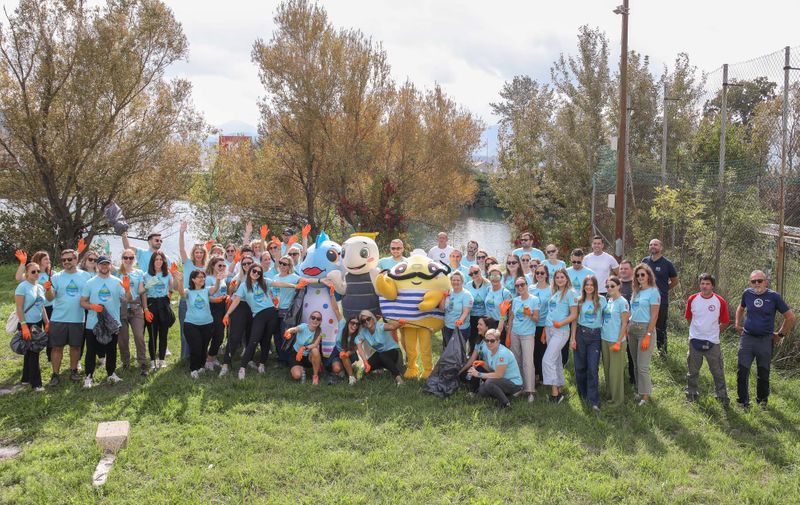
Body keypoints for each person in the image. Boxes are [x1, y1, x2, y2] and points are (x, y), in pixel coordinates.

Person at [223, 263, 300, 380]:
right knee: (253, 341)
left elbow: (279, 283)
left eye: (259, 272)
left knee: (267, 339)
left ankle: (262, 364)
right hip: (259, 315)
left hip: (272, 313)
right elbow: (236, 301)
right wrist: (227, 314)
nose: (256, 274)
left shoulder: (264, 282)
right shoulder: (244, 286)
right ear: (250, 271)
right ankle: (242, 368)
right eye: (254, 271)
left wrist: (294, 286)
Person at [734, 270, 795, 409]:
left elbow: (790, 317)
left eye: (759, 281)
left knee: (763, 373)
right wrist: (737, 324)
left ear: (766, 282)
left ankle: (762, 402)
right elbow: (740, 308)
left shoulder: (774, 297)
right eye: (753, 281)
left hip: (765, 340)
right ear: (750, 282)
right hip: (747, 339)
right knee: (742, 371)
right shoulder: (747, 293)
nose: (756, 284)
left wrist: (780, 335)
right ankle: (742, 402)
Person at [79, 256, 133, 388]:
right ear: (97, 266)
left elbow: (128, 299)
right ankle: (89, 376)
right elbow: (82, 302)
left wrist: (127, 289)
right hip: (93, 323)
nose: (104, 266)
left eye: (107, 264)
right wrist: (92, 307)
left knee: (111, 350)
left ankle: (111, 374)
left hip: (112, 323)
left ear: (110, 266)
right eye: (101, 264)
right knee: (91, 350)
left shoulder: (117, 281)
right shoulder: (90, 283)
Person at [43, 249, 92, 385]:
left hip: (78, 318)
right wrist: (48, 289)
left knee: (75, 347)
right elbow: (50, 297)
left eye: (69, 259)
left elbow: (91, 294)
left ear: (76, 260)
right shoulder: (56, 277)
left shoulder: (86, 276)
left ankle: (73, 371)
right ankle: (55, 374)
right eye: (63, 260)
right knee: (56, 347)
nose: (66, 262)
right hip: (58, 318)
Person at [685, 273, 730, 405]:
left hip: (713, 342)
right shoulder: (692, 299)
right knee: (692, 371)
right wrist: (696, 331)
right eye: (702, 284)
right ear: (699, 285)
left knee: (717, 371)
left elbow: (725, 321)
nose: (704, 286)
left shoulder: (720, 301)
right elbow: (688, 318)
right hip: (695, 341)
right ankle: (691, 392)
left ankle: (722, 395)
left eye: (708, 284)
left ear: (713, 286)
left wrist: (714, 332)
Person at [173, 268, 223, 378]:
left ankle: (201, 367)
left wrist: (218, 280)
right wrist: (180, 281)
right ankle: (194, 369)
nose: (202, 279)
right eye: (199, 277)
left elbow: (215, 289)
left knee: (203, 347)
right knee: (196, 347)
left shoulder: (206, 290)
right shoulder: (188, 291)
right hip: (191, 324)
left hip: (207, 324)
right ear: (193, 279)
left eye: (203, 277)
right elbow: (181, 293)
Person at [570, 276, 606, 410]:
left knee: (592, 368)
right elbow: (574, 320)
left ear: (595, 286)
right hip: (580, 334)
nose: (589, 287)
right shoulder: (579, 301)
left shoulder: (602, 300)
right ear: (583, 286)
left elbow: (607, 317)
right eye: (587, 284)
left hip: (595, 336)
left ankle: (594, 400)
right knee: (580, 367)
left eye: (592, 285)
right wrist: (573, 338)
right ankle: (582, 395)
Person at [543, 269, 578, 403]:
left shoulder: (571, 292)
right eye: (557, 277)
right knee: (555, 359)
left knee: (547, 360)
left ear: (567, 278)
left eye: (562, 277)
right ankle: (559, 387)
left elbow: (574, 315)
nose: (559, 279)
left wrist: (561, 323)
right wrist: (546, 329)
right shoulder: (555, 292)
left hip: (561, 330)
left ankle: (555, 394)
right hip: (550, 330)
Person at [628, 263, 661, 406]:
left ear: (648, 276)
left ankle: (646, 397)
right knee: (635, 363)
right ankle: (639, 392)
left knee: (642, 366)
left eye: (643, 274)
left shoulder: (653, 292)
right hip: (632, 329)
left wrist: (648, 334)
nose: (640, 277)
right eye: (637, 275)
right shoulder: (636, 291)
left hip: (644, 330)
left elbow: (654, 316)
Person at [466, 329, 523, 408]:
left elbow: (498, 375)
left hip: (514, 384)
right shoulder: (490, 350)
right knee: (482, 390)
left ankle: (506, 404)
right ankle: (508, 396)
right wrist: (483, 364)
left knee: (489, 383)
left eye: (492, 341)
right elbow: (492, 370)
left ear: (498, 341)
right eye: (487, 340)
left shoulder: (502, 353)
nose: (489, 343)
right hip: (501, 381)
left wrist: (478, 374)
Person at [15, 261, 49, 391]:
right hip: (26, 323)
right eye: (33, 272)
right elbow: (19, 308)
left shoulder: (39, 287)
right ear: (27, 273)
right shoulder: (22, 287)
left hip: (37, 323)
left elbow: (42, 306)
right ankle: (37, 384)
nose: (36, 274)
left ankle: (26, 379)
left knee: (30, 353)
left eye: (38, 271)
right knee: (34, 352)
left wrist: (47, 322)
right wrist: (23, 326)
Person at [642, 239, 678, 356]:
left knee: (660, 327)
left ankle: (662, 352)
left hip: (660, 301)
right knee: (645, 325)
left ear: (661, 247)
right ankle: (645, 350)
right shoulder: (645, 261)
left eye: (655, 244)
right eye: (651, 244)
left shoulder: (667, 264)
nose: (653, 246)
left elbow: (674, 281)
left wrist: (663, 289)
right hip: (645, 300)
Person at [219, 253, 253, 377]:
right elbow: (231, 290)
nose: (247, 265)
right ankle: (225, 364)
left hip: (253, 308)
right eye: (244, 263)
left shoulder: (257, 275)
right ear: (241, 265)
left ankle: (249, 360)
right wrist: (232, 288)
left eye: (249, 263)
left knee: (250, 336)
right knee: (235, 336)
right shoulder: (239, 276)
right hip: (239, 307)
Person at [506, 276, 539, 403]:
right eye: (517, 286)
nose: (520, 287)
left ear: (527, 285)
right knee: (516, 361)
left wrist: (529, 313)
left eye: (522, 285)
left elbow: (537, 318)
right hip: (515, 333)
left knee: (528, 362)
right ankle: (519, 387)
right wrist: (508, 334)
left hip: (528, 335)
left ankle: (530, 390)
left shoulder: (534, 300)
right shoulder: (515, 300)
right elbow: (511, 318)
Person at [179, 221, 209, 360]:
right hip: (186, 300)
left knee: (202, 330)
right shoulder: (188, 263)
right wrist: (181, 232)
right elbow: (181, 249)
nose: (198, 254)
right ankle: (186, 357)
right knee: (185, 330)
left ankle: (201, 355)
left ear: (204, 254)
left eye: (201, 252)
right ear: (193, 253)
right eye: (196, 252)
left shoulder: (207, 267)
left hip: (203, 303)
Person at [116, 249, 148, 376]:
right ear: (122, 258)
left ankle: (142, 361)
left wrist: (150, 285)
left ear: (134, 259)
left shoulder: (139, 272)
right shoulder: (116, 272)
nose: (128, 260)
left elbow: (141, 291)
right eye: (125, 257)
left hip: (135, 308)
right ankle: (126, 361)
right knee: (123, 338)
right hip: (120, 308)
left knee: (139, 336)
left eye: (131, 257)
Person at [601, 276, 629, 408]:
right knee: (607, 369)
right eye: (607, 286)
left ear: (619, 286)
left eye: (612, 286)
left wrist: (618, 341)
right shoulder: (609, 300)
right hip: (605, 339)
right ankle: (609, 395)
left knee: (615, 372)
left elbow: (625, 324)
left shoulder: (622, 302)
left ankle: (617, 400)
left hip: (616, 341)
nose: (609, 288)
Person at [142, 251, 174, 370]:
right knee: (153, 334)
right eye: (156, 259)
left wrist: (168, 297)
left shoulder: (167, 274)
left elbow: (172, 288)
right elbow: (143, 293)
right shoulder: (146, 275)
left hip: (164, 305)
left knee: (164, 334)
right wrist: (145, 309)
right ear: (152, 261)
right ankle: (152, 360)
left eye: (161, 259)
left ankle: (161, 359)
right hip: (152, 305)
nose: (159, 261)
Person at [356, 310, 405, 386]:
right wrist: (365, 362)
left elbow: (392, 327)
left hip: (394, 351)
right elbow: (359, 347)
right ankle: (377, 371)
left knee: (383, 356)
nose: (366, 322)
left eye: (368, 319)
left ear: (372, 318)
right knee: (365, 371)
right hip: (381, 354)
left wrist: (400, 323)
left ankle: (399, 380)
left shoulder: (379, 326)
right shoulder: (363, 332)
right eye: (363, 321)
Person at [272, 255, 301, 365]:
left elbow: (304, 283)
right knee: (277, 335)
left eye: (285, 264)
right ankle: (281, 358)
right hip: (275, 310)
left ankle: (289, 359)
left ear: (290, 266)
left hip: (287, 311)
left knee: (285, 335)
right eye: (280, 263)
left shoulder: (294, 277)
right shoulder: (275, 277)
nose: (282, 266)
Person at [284, 310, 325, 385]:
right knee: (296, 375)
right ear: (309, 319)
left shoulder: (319, 331)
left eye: (318, 319)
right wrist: (288, 331)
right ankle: (303, 369)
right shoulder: (303, 326)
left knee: (315, 350)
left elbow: (315, 345)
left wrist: (304, 348)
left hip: (308, 356)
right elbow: (295, 329)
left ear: (320, 321)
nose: (315, 320)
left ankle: (315, 376)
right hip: (296, 354)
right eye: (313, 317)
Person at [204, 256, 229, 371]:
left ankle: (212, 357)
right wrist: (216, 300)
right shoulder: (208, 279)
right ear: (213, 266)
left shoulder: (222, 277)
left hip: (223, 307)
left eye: (224, 266)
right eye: (219, 265)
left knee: (220, 334)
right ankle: (208, 360)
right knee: (216, 334)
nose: (222, 267)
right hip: (213, 307)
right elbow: (206, 296)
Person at [331, 304, 365, 386]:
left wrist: (346, 354)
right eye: (352, 323)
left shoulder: (359, 335)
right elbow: (336, 309)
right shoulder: (342, 323)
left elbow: (355, 348)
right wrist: (332, 295)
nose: (354, 326)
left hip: (350, 353)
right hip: (337, 352)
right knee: (336, 369)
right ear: (348, 322)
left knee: (344, 356)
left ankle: (351, 377)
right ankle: (345, 368)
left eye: (357, 324)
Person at [529, 265, 551, 387]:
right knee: (533, 351)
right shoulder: (531, 288)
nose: (539, 275)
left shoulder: (551, 289)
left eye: (542, 273)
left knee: (542, 351)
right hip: (531, 324)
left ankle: (543, 377)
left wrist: (546, 327)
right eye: (537, 273)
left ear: (546, 274)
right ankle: (535, 375)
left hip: (544, 324)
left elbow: (552, 309)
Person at [439, 271, 473, 349]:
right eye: (453, 280)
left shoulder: (466, 295)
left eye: (458, 280)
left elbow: (466, 312)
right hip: (448, 326)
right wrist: (444, 297)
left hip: (461, 328)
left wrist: (460, 321)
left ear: (462, 281)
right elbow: (441, 309)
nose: (455, 282)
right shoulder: (449, 292)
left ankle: (461, 361)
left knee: (459, 350)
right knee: (449, 349)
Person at [617, 260, 636, 386]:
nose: (623, 271)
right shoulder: (614, 284)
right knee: (618, 354)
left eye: (626, 268)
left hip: (631, 325)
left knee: (632, 354)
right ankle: (618, 379)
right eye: (621, 269)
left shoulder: (636, 285)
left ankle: (634, 380)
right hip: (616, 325)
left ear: (632, 270)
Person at [465, 265, 490, 354]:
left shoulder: (488, 284)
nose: (474, 275)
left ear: (480, 271)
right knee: (472, 338)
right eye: (471, 274)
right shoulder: (468, 285)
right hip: (471, 316)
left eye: (476, 272)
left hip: (484, 316)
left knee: (483, 338)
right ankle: (471, 358)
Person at [484, 266, 511, 337]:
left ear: (501, 277)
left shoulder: (505, 293)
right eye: (492, 277)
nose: (495, 279)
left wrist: (500, 328)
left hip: (500, 324)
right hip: (488, 323)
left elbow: (509, 312)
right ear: (489, 278)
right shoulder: (488, 289)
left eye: (497, 277)